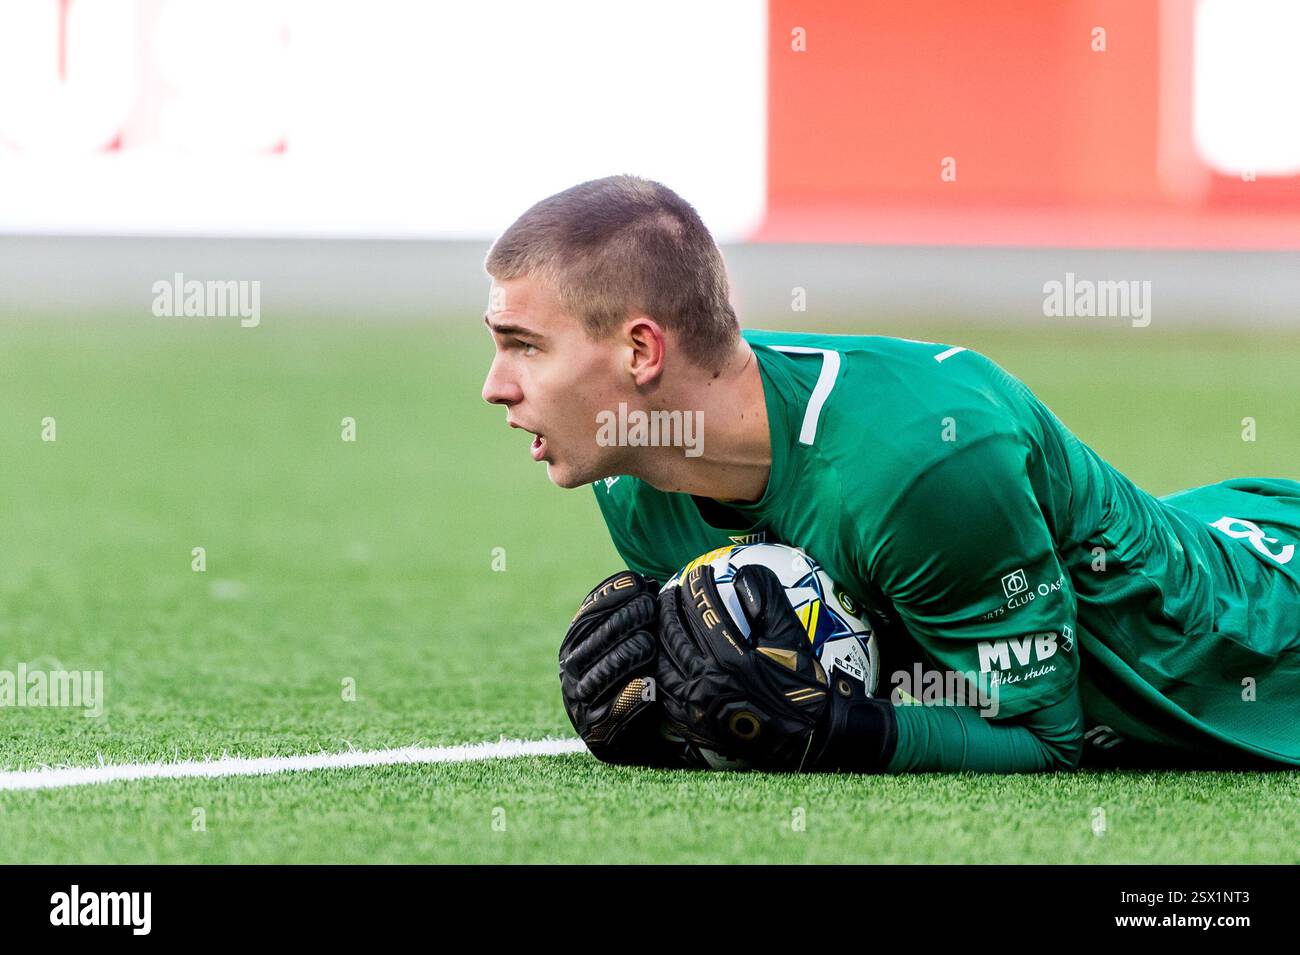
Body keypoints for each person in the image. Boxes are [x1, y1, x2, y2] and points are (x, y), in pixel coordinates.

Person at [481, 175, 1300, 773]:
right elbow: (792, 671)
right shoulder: (633, 479)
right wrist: (668, 715)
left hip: (1261, 636)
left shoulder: (920, 464)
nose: (494, 385)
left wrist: (843, 733)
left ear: (640, 351)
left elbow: (1048, 736)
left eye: (522, 345)